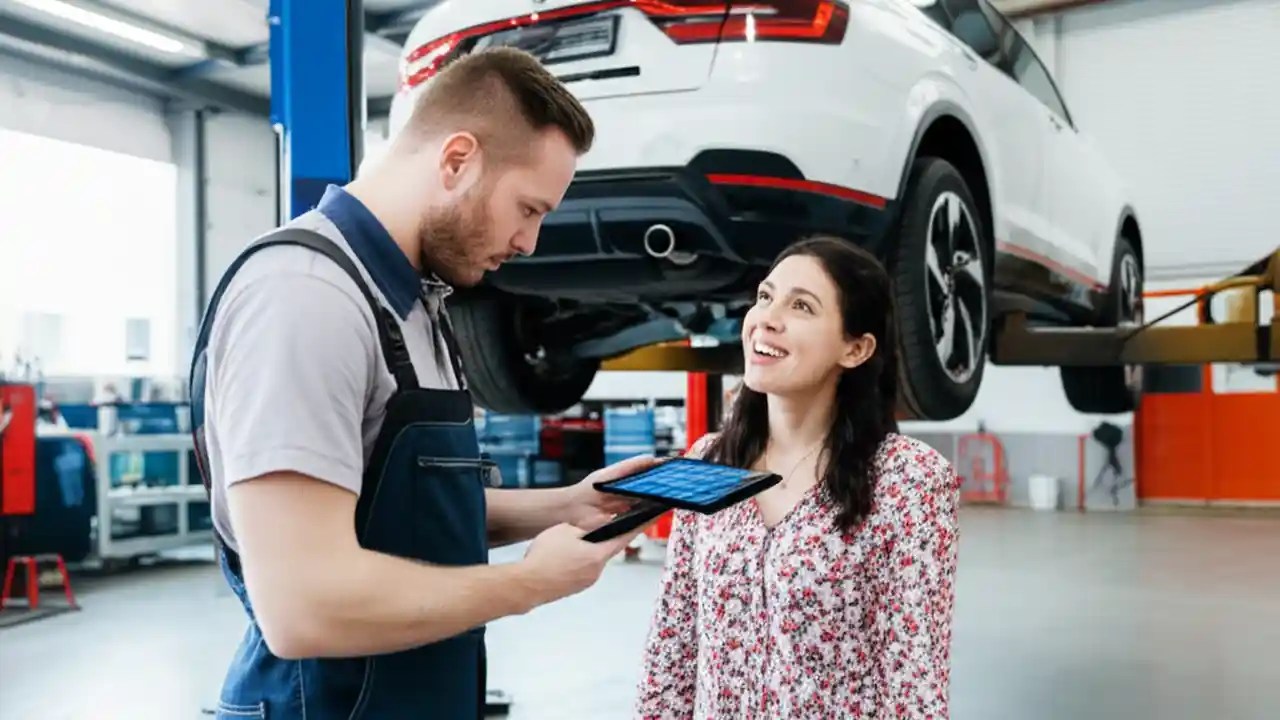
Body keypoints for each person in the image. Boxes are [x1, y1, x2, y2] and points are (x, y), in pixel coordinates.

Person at [190, 47, 653, 720]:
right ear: (457, 159)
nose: (529, 242)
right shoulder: (307, 298)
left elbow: (394, 507)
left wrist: (567, 505)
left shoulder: (411, 303)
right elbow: (302, 605)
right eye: (528, 208)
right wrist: (530, 583)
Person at [635, 236, 962, 719]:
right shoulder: (708, 461)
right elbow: (673, 645)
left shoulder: (908, 480)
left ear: (855, 349)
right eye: (765, 297)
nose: (766, 318)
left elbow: (913, 681)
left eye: (801, 306)